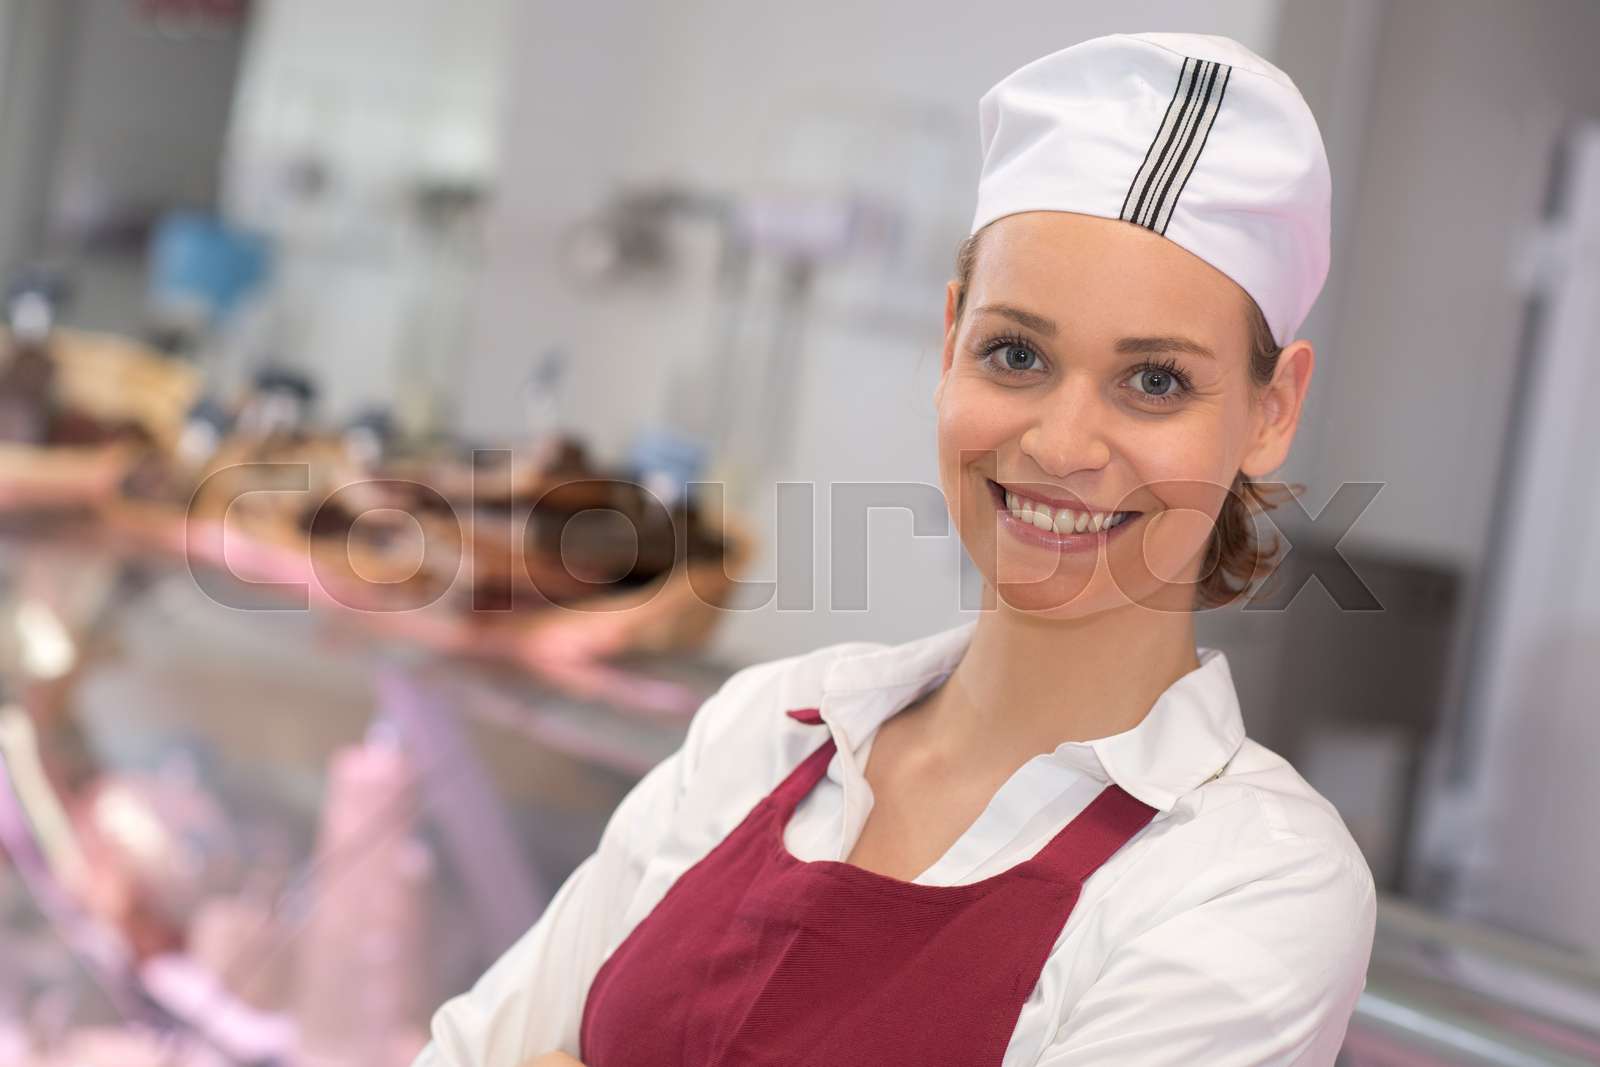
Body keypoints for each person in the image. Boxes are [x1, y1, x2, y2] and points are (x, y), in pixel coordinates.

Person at [415, 30, 1377, 1067]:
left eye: (1154, 381)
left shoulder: (1253, 877)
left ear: (1271, 410)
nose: (1059, 444)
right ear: (950, 337)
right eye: (1016, 354)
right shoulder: (767, 729)